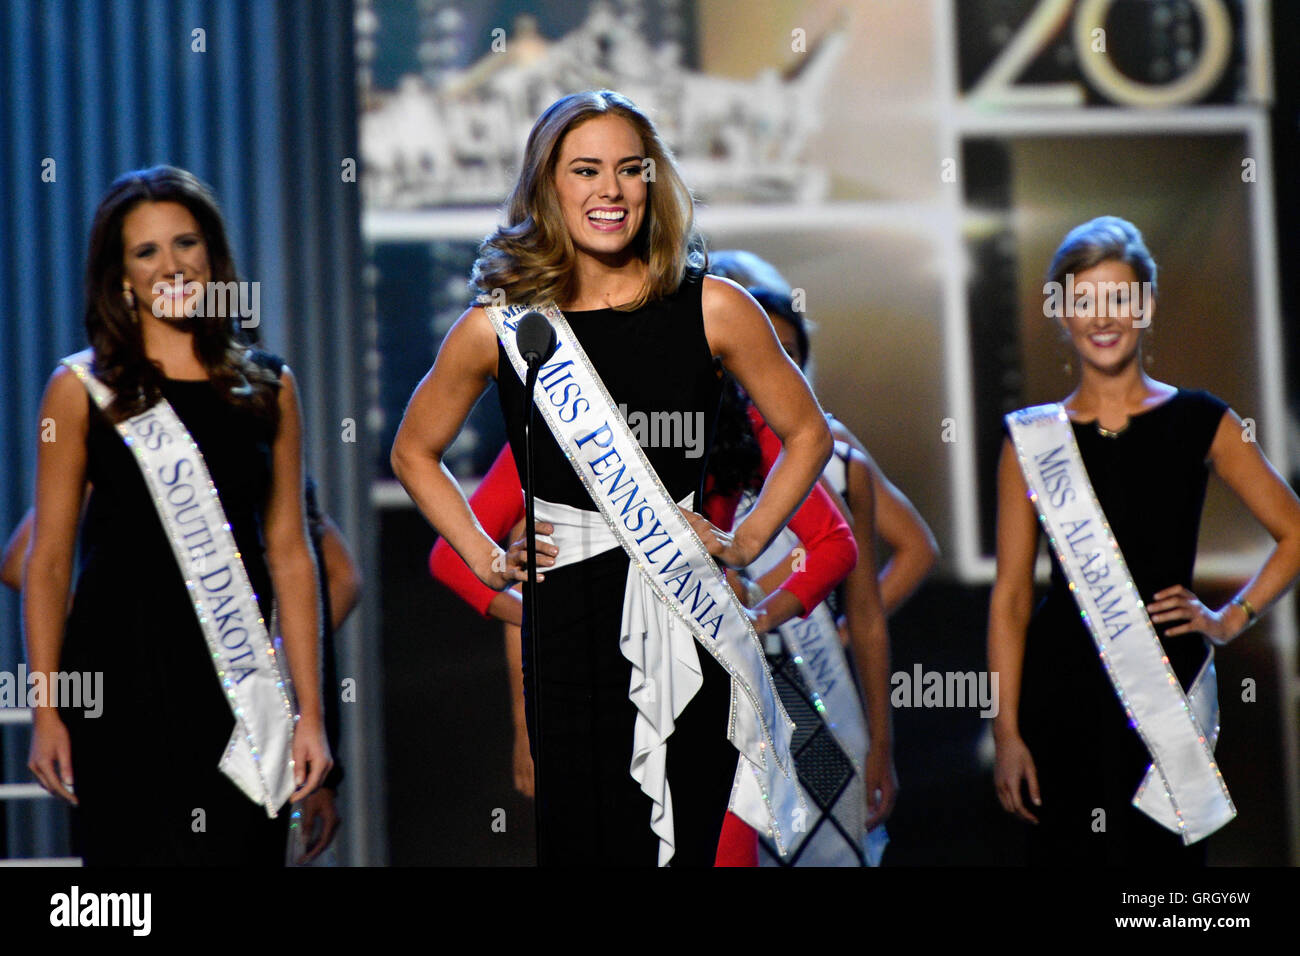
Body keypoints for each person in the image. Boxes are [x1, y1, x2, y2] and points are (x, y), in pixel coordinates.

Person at [391, 90, 838, 866]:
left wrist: (747, 538)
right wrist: (487, 557)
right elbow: (412, 451)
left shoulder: (716, 309)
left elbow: (808, 433)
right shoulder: (501, 327)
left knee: (685, 845)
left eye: (631, 170)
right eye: (586, 170)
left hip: (687, 616)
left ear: (653, 182)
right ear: (547, 186)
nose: (611, 190)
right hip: (567, 631)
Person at [23, 165, 331, 865]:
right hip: (118, 687)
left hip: (238, 698)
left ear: (213, 256)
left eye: (186, 243)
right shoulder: (80, 390)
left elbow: (290, 553)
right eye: (147, 251)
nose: (172, 265)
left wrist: (310, 715)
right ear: (120, 277)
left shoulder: (269, 386)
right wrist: (46, 710)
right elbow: (45, 563)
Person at [988, 216, 1300, 865]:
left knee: (1164, 886)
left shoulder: (1202, 420)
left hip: (1165, 690)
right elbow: (1012, 597)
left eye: (1120, 299)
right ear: (1062, 313)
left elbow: (1295, 531)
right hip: (1061, 699)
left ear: (1147, 306)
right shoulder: (1030, 440)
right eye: (1084, 301)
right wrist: (1007, 729)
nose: (1103, 318)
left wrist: (1230, 618)